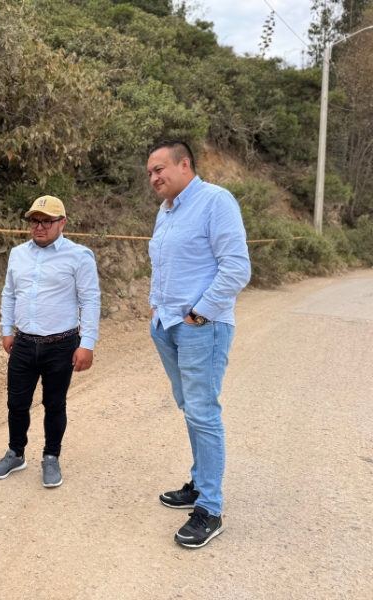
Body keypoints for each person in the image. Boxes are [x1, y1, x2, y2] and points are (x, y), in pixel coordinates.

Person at [146, 140, 251, 549]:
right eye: (150, 172)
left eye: (160, 169)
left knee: (203, 412)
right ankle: (199, 481)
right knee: (189, 407)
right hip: (168, 325)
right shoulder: (167, 210)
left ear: (185, 164)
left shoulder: (215, 201)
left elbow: (237, 267)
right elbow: (167, 264)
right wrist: (157, 309)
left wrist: (201, 313)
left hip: (200, 327)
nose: (154, 177)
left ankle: (210, 508)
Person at [0, 195, 101, 488]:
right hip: (24, 343)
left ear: (61, 223)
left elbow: (90, 300)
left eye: (47, 221)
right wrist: (6, 329)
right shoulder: (17, 254)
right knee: (16, 403)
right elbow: (9, 293)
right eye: (34, 221)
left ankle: (51, 457)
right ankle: (16, 453)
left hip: (62, 345)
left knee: (54, 405)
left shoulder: (79, 256)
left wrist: (87, 343)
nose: (39, 227)